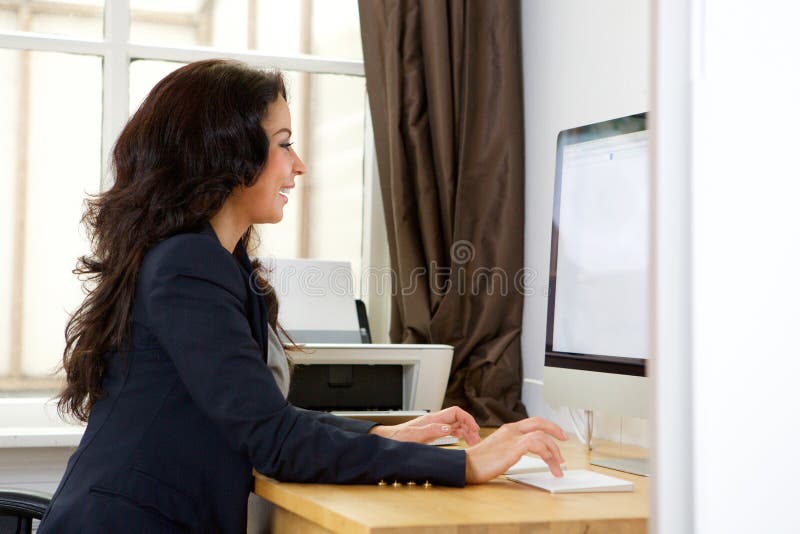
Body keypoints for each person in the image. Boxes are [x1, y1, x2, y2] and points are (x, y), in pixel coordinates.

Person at [37, 59, 567, 534]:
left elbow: (263, 416)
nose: (300, 165)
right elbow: (274, 439)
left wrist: (386, 434)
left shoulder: (216, 261)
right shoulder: (186, 266)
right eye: (284, 142)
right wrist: (465, 465)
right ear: (229, 152)